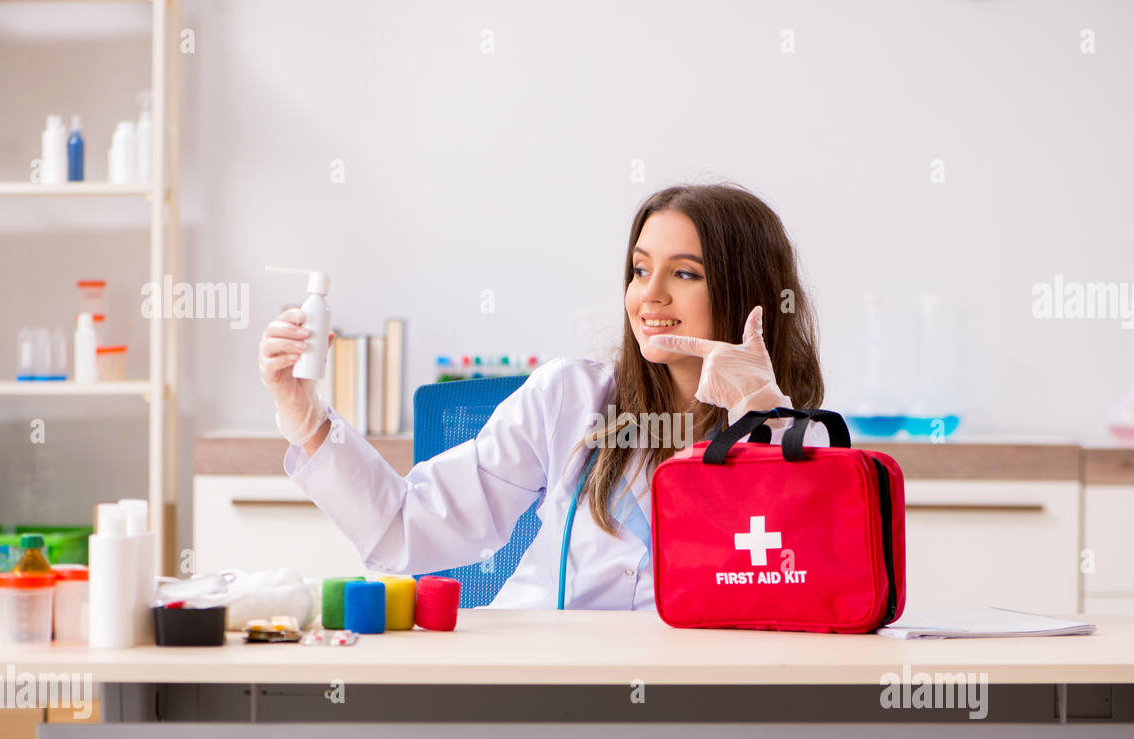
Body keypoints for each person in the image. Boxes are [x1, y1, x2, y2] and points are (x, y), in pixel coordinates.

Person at [257, 182, 827, 609]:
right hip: (540, 687)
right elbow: (407, 528)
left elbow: (796, 591)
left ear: (747, 293)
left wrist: (760, 412)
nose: (647, 296)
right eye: (639, 269)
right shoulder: (570, 399)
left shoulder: (792, 436)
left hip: (689, 705)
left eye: (684, 274)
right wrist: (303, 413)